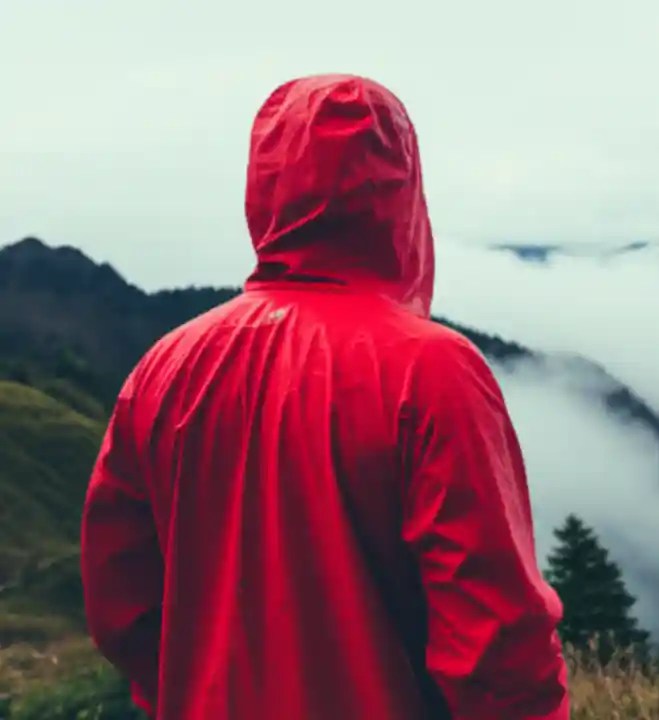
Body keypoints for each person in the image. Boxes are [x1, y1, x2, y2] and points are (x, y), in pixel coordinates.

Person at [80, 74, 570, 720]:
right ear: (402, 194)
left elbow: (123, 603)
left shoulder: (164, 371)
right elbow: (496, 643)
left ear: (263, 190)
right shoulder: (433, 372)